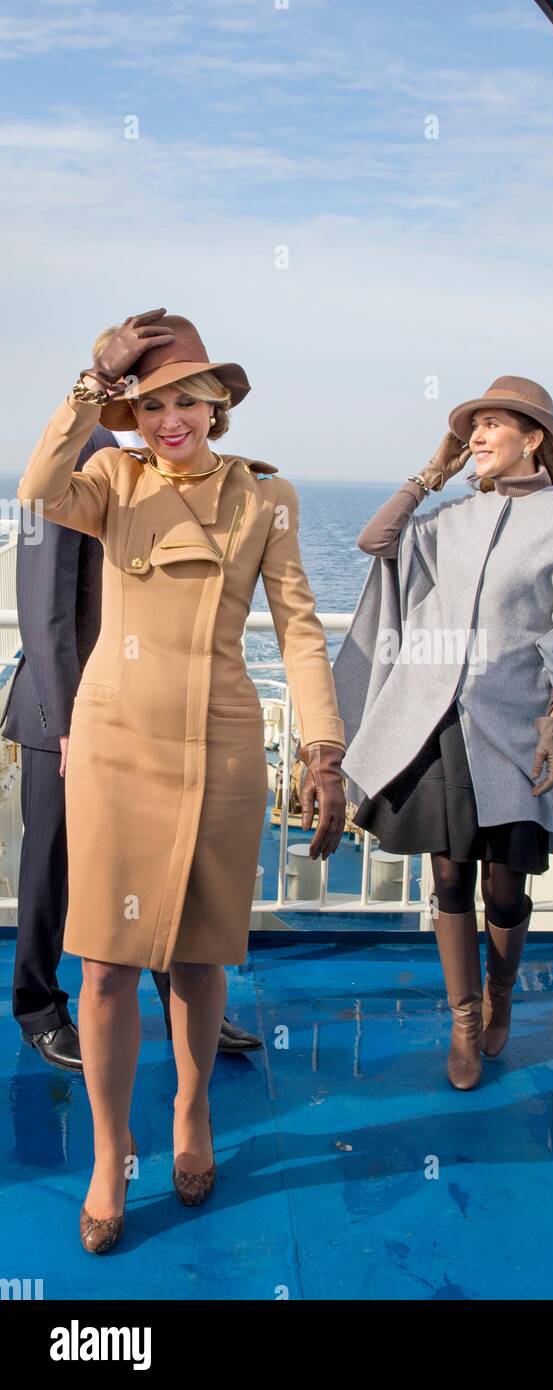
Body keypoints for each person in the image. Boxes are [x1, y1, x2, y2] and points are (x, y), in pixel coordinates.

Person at [17, 309, 347, 1251]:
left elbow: (300, 628)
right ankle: (110, 1152)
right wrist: (91, 386)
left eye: (186, 399)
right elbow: (39, 487)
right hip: (116, 739)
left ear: (218, 404)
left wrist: (323, 748)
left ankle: (193, 1111)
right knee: (109, 962)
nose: (170, 417)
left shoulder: (265, 498)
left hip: (223, 741)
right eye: (151, 401)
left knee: (202, 954)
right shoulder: (110, 479)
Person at [333, 376, 553, 1090]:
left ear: (533, 439)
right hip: (436, 726)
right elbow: (374, 541)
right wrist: (431, 473)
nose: (478, 439)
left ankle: (502, 991)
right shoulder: (449, 518)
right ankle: (461, 1020)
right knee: (449, 876)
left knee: (506, 888)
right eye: (472, 428)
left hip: (518, 733)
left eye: (493, 427)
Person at [5, 415, 262, 1072]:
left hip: (144, 714)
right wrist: (66, 717)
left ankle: (185, 1001)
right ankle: (40, 1008)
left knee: (163, 857)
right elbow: (45, 600)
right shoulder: (87, 451)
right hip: (65, 711)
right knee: (55, 862)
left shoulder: (168, 467)